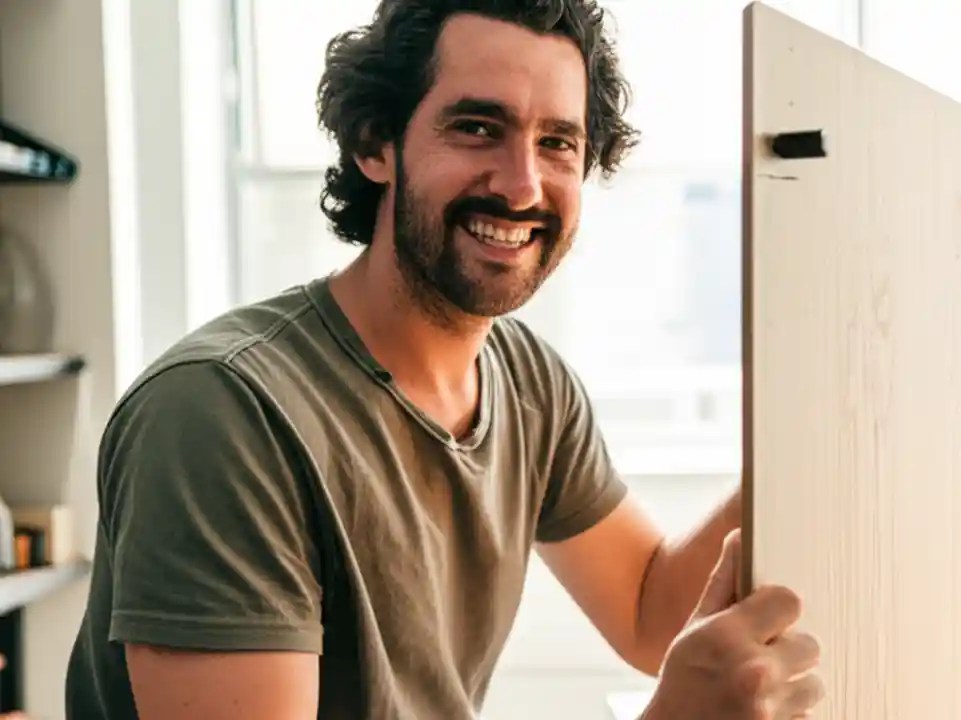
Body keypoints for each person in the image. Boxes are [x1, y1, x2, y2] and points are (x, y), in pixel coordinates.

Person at [64, 1, 825, 718]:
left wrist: (813, 442)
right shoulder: (220, 417)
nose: (523, 185)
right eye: (476, 127)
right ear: (374, 144)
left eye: (558, 142)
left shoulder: (528, 381)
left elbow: (650, 616)